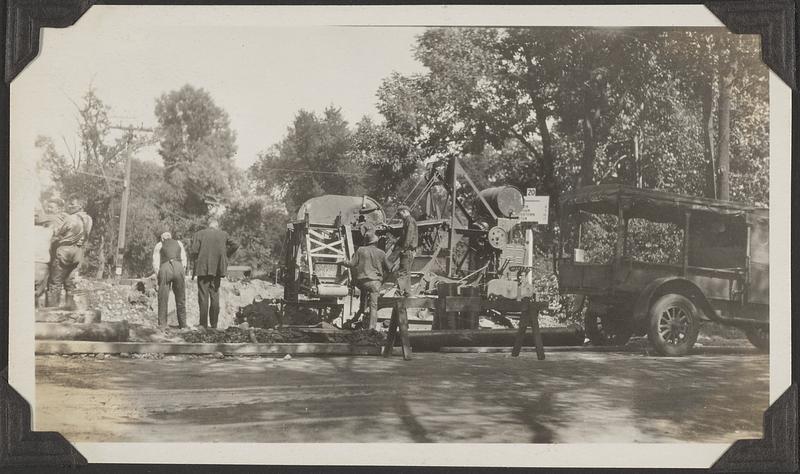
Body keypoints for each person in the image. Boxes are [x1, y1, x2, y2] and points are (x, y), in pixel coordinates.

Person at [190, 217, 239, 328]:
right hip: (217, 269)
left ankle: (203, 324)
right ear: (217, 226)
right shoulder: (223, 234)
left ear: (208, 225)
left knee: (203, 297)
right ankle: (214, 324)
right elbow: (235, 245)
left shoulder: (199, 234)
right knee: (215, 296)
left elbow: (194, 251)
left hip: (202, 269)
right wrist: (225, 255)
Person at [47, 198, 92, 308]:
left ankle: (52, 310)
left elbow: (57, 232)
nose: (69, 206)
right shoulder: (88, 219)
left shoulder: (71, 218)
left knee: (55, 283)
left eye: (72, 204)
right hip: (78, 252)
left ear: (80, 205)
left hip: (65, 251)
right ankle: (70, 309)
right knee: (69, 283)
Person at [339, 233, 389, 330]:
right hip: (375, 283)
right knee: (373, 306)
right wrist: (382, 280)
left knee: (363, 301)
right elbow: (389, 269)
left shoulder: (361, 250)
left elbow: (351, 264)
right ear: (376, 242)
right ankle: (371, 329)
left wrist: (342, 262)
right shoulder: (381, 253)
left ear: (366, 242)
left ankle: (355, 319)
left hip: (362, 283)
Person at [152, 231, 188, 328]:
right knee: (181, 297)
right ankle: (183, 324)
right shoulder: (179, 243)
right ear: (171, 237)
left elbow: (156, 262)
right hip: (179, 266)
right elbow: (184, 259)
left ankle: (162, 324)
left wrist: (158, 274)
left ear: (162, 238)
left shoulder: (159, 245)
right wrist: (182, 270)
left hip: (165, 268)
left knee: (163, 297)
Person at [395, 204, 418, 296]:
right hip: (409, 250)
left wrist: (404, 249)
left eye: (400, 214)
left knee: (403, 272)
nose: (400, 217)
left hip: (407, 250)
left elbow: (409, 236)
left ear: (404, 211)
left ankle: (398, 293)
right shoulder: (408, 221)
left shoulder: (409, 220)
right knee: (407, 272)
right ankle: (407, 292)